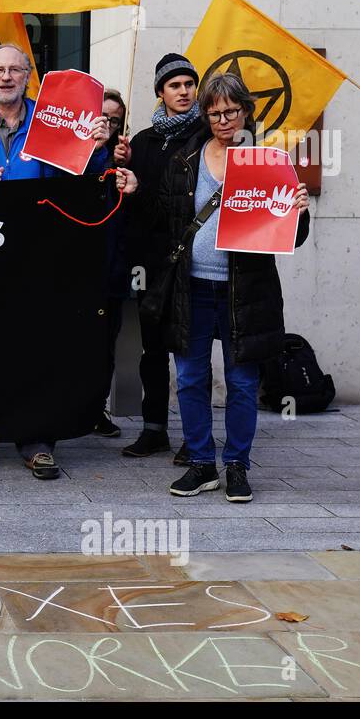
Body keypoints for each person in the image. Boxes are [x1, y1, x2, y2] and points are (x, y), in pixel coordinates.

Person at [0, 43, 136, 479]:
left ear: (28, 75)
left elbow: (86, 181)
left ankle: (36, 440)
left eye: (15, 69)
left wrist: (101, 151)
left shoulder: (52, 122)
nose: (6, 77)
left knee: (37, 349)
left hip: (40, 258)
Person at [151, 73, 310, 503]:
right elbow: (164, 222)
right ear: (205, 114)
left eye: (231, 111)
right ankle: (202, 464)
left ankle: (237, 465)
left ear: (246, 111)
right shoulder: (185, 160)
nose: (223, 119)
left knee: (241, 382)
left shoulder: (268, 162)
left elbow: (291, 236)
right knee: (189, 378)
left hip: (245, 291)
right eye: (215, 112)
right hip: (192, 287)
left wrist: (298, 211)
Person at [120, 54, 205, 463]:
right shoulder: (142, 141)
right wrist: (119, 165)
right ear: (160, 92)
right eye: (175, 85)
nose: (184, 91)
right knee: (151, 351)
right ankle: (154, 429)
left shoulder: (207, 138)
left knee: (191, 351)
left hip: (192, 260)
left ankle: (196, 438)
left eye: (189, 84)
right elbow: (131, 204)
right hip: (151, 261)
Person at [91, 88, 131, 439]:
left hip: (114, 266)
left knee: (106, 343)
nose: (105, 124)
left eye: (113, 120)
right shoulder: (77, 154)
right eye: (100, 117)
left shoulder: (126, 157)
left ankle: (95, 409)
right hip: (74, 265)